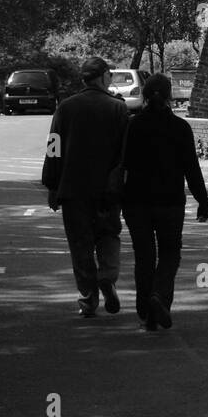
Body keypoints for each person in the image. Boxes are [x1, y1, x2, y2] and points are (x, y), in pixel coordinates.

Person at [119, 75, 208, 331]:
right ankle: (159, 296)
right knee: (170, 253)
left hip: (136, 200)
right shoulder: (180, 127)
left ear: (145, 96)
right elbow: (191, 168)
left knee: (144, 255)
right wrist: (202, 201)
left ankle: (146, 309)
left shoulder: (132, 126)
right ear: (170, 96)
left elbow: (121, 164)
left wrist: (116, 197)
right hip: (170, 200)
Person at [41, 57, 131, 318]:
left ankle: (88, 296)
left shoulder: (66, 108)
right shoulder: (118, 109)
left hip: (73, 189)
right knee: (109, 236)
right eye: (110, 75)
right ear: (103, 77)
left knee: (80, 246)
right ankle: (107, 276)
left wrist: (52, 184)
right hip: (106, 191)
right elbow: (125, 153)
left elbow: (53, 146)